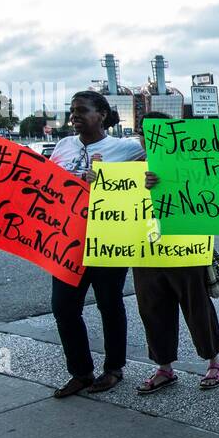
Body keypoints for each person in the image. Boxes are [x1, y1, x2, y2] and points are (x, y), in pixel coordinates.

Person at [47, 91, 146, 397]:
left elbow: (161, 162)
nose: (74, 116)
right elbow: (46, 184)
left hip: (109, 239)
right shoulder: (63, 146)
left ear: (102, 114)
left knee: (109, 304)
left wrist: (109, 180)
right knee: (64, 307)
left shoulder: (125, 148)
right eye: (72, 111)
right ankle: (80, 372)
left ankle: (114, 368)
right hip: (68, 240)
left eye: (82, 110)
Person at [139, 113, 219, 394]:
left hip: (185, 246)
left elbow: (209, 193)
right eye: (145, 133)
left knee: (197, 306)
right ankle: (163, 367)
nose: (150, 138)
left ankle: (213, 361)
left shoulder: (189, 163)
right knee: (152, 308)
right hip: (145, 248)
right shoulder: (132, 168)